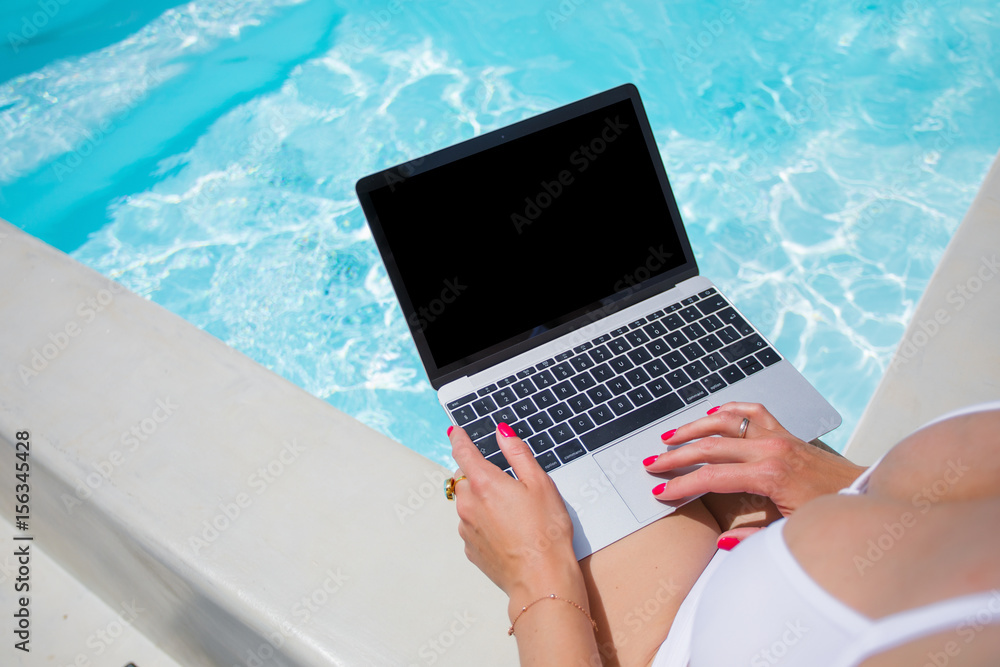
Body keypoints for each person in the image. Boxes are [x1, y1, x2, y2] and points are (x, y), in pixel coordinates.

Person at [446, 401, 1000, 666]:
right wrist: (858, 487)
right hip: (797, 529)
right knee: (640, 399)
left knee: (538, 456)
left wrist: (534, 572)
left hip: (674, 646)